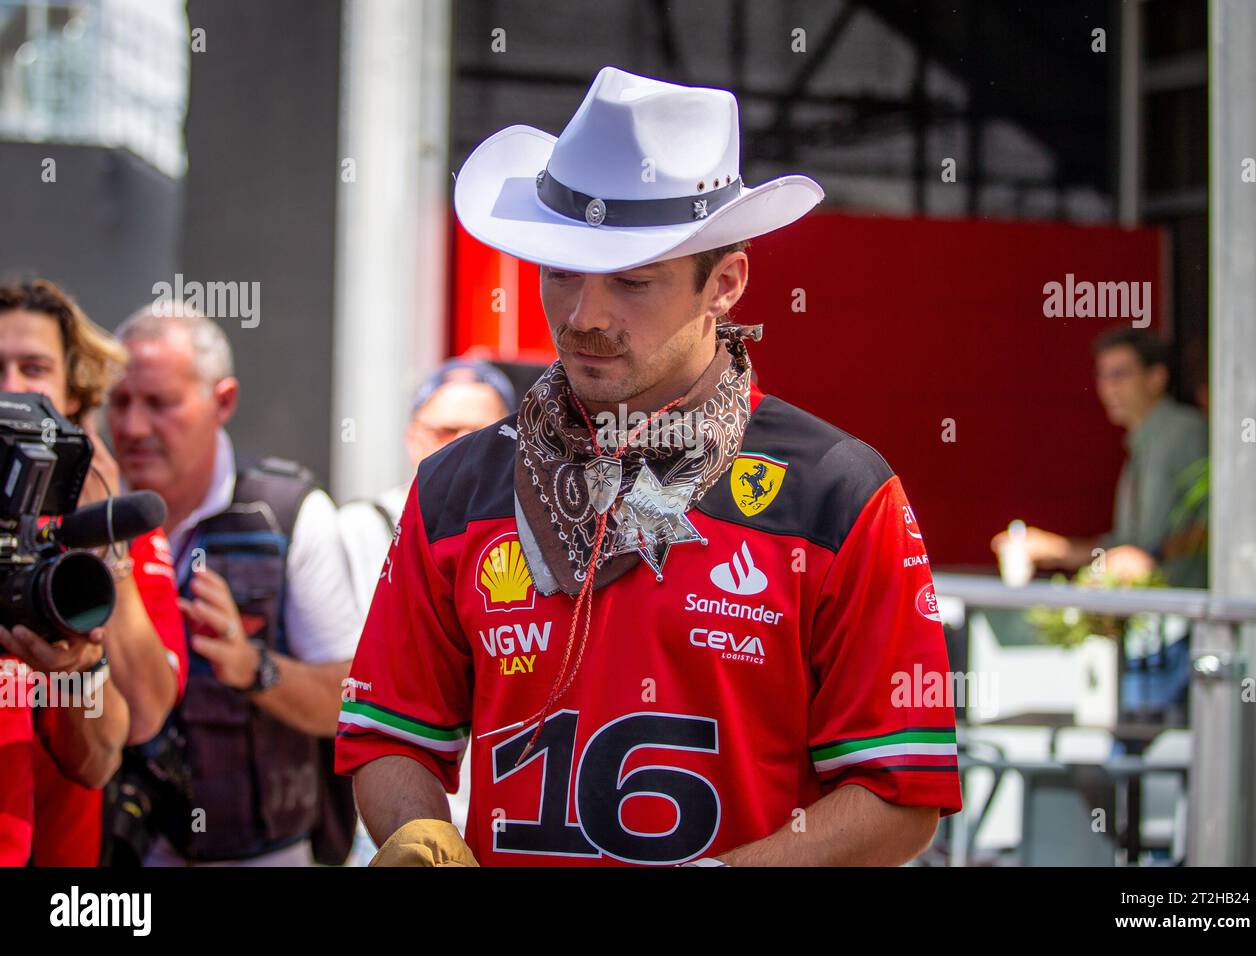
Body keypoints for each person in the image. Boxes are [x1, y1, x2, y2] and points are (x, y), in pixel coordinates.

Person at [336, 66, 962, 867]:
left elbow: (901, 795)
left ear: (726, 282)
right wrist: (419, 834)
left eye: (633, 281)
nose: (584, 316)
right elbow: (388, 736)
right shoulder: (457, 487)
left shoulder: (837, 492)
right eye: (560, 271)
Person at [105, 303, 362, 866]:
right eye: (119, 402)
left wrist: (254, 668)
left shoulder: (289, 512)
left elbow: (353, 700)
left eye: (160, 403)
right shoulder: (89, 511)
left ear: (223, 401)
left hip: (261, 853)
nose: (133, 427)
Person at [0, 278, 185, 866]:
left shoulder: (109, 519)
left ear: (73, 393)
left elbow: (145, 715)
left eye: (34, 369)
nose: (12, 389)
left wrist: (100, 536)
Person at [991, 326, 1209, 587]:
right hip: (1154, 612)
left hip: (1189, 611)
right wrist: (1056, 549)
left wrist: (1151, 556)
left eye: (1120, 374)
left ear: (1156, 378)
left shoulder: (1185, 432)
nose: (1108, 387)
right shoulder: (1141, 445)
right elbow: (1126, 547)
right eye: (1102, 376)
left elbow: (1218, 521)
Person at [339, 357, 515, 616]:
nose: (461, 448)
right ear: (413, 439)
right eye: (445, 431)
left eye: (481, 435)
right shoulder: (358, 529)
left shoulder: (537, 529)